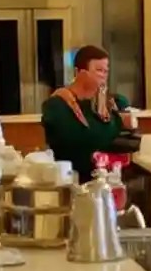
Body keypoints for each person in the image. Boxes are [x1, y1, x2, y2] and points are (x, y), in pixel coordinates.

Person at [41, 45, 136, 182]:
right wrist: (119, 122)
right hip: (73, 182)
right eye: (98, 70)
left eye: (105, 71)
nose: (103, 75)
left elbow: (133, 140)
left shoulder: (116, 101)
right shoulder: (56, 106)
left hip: (113, 181)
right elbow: (85, 139)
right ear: (79, 72)